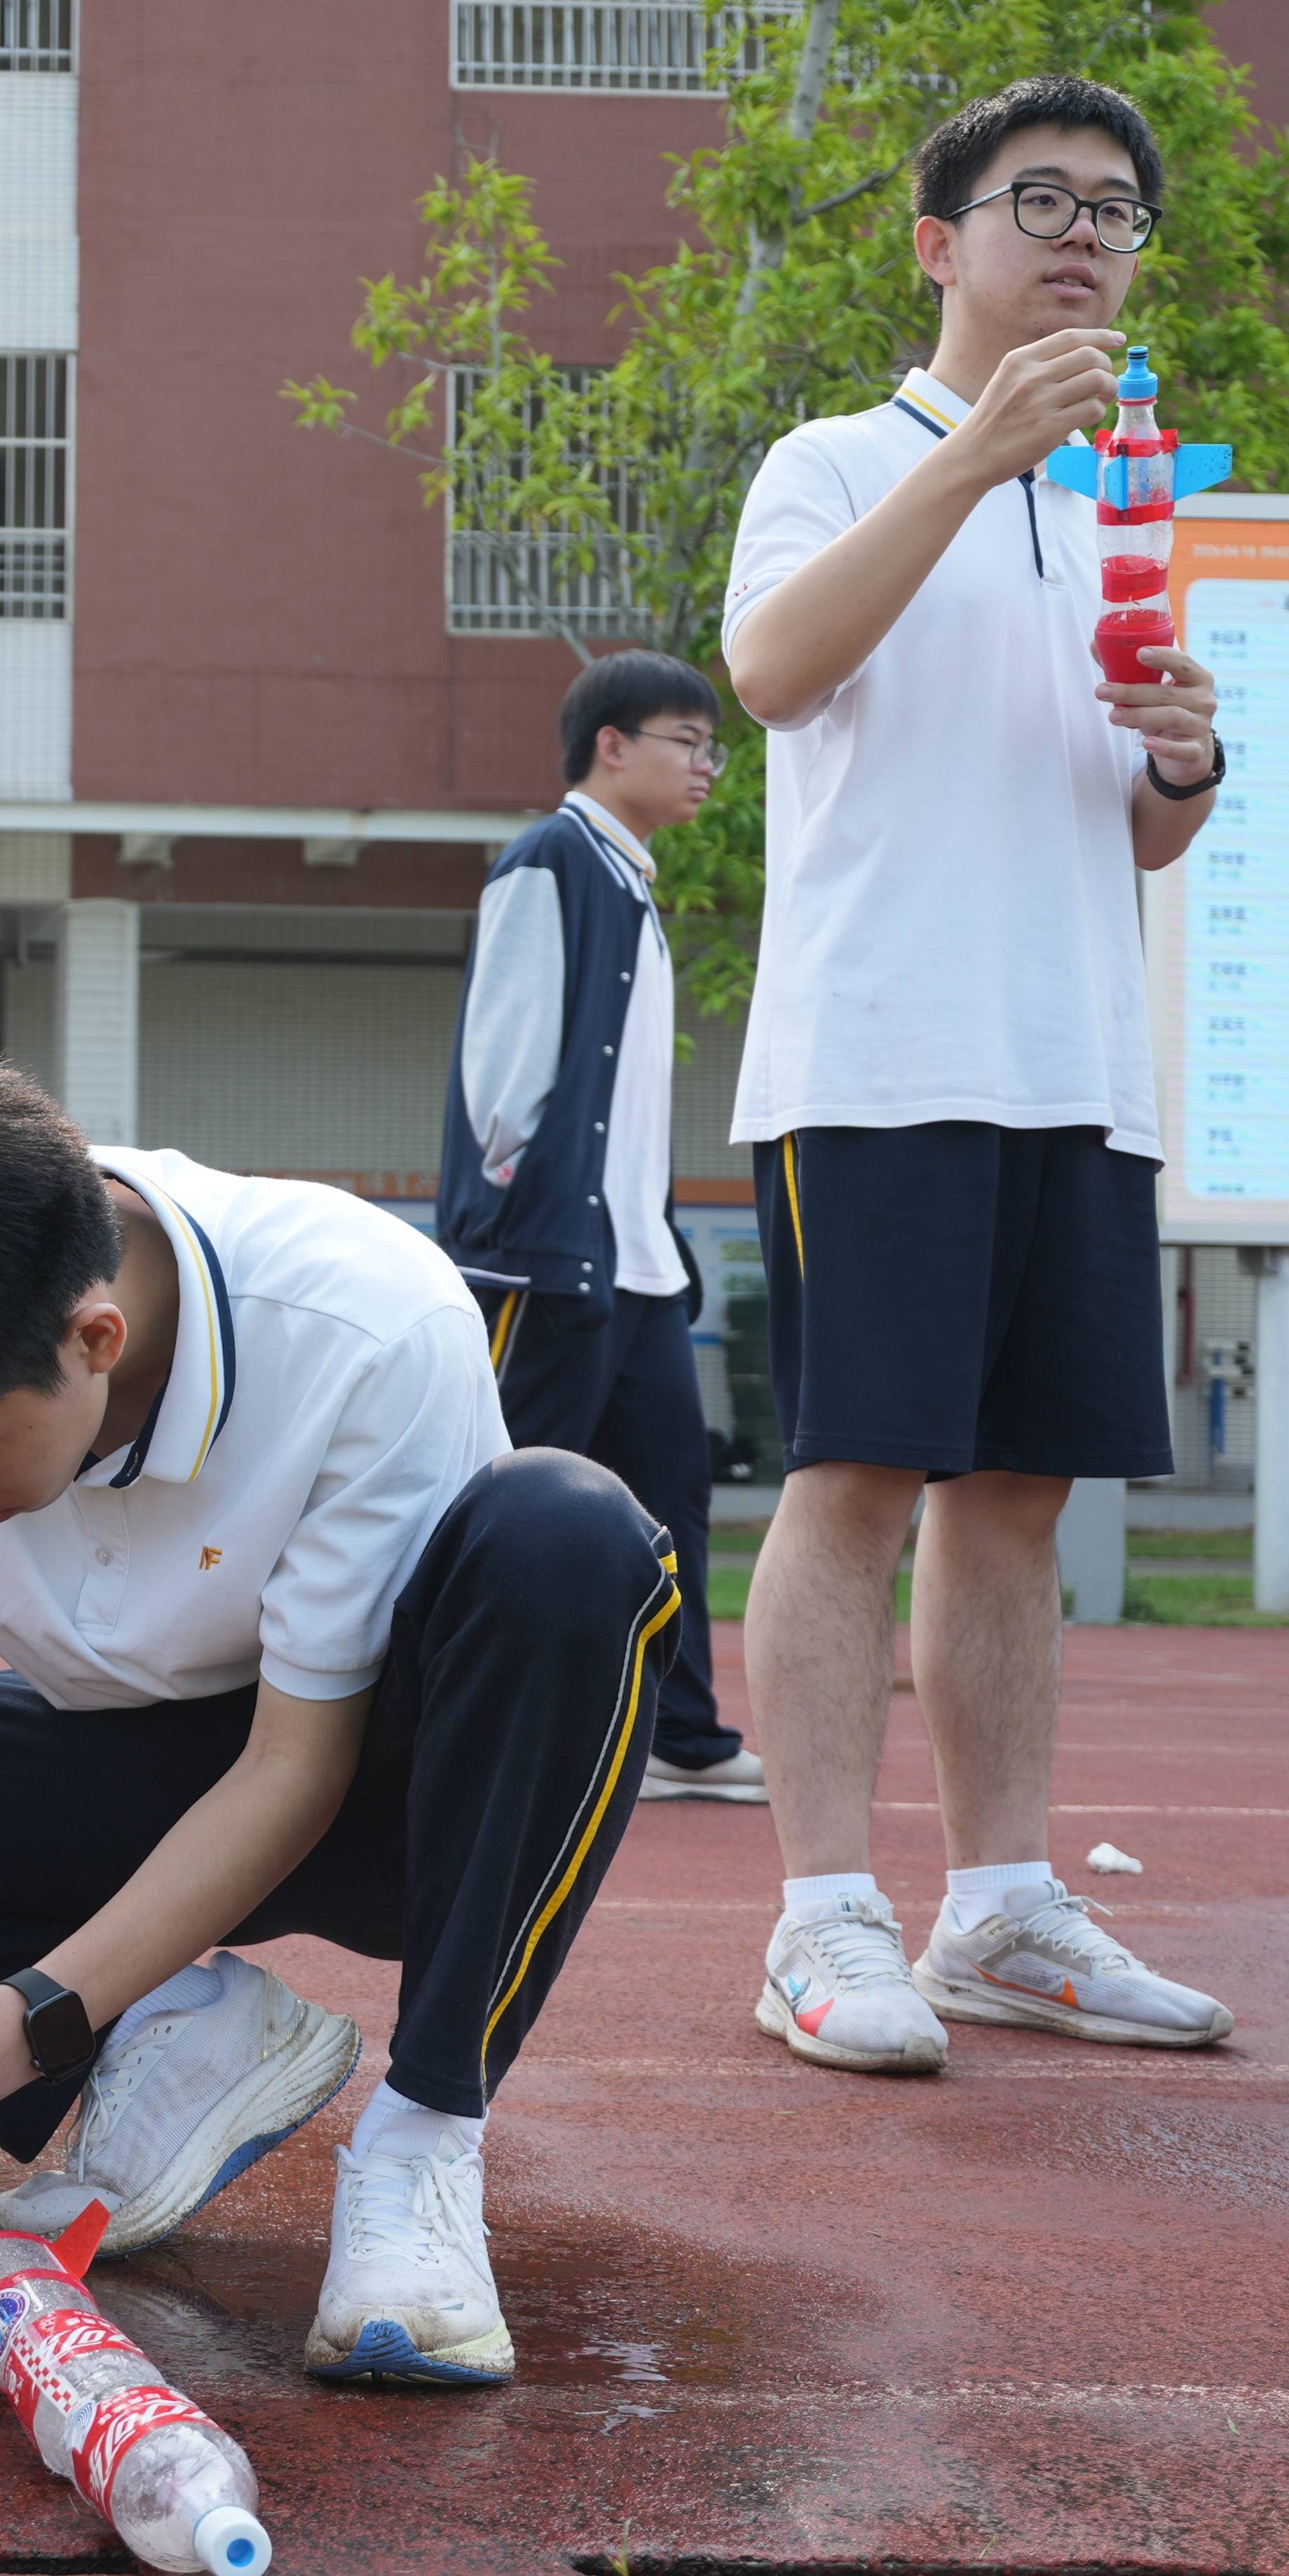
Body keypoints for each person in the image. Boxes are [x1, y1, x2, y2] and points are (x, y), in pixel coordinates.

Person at [0, 1066, 678, 2385]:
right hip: (118, 1756)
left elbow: (294, 1761)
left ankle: (422, 2138)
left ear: (95, 1340)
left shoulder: (364, 1324)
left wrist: (21, 2024)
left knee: (570, 1539)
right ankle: (183, 2019)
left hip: (384, 1794)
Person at [717, 74, 1234, 2075]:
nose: (1086, 234)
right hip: (880, 1058)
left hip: (1074, 1061)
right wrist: (978, 457)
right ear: (942, 246)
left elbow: (1134, 825)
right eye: (1043, 201)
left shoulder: (1124, 501)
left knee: (1017, 1498)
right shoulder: (843, 460)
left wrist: (1186, 750)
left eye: (1116, 209)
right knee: (858, 1481)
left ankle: (1004, 1908)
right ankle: (819, 1917)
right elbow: (771, 670)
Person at [436, 652, 759, 1804]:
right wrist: (529, 1202)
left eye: (711, 746)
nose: (707, 767)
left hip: (635, 1265)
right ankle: (449, 1718)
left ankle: (680, 1735)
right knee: (504, 1497)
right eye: (687, 740)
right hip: (546, 1255)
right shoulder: (552, 859)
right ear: (610, 746)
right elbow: (505, 1066)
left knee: (671, 1499)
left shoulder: (631, 881)